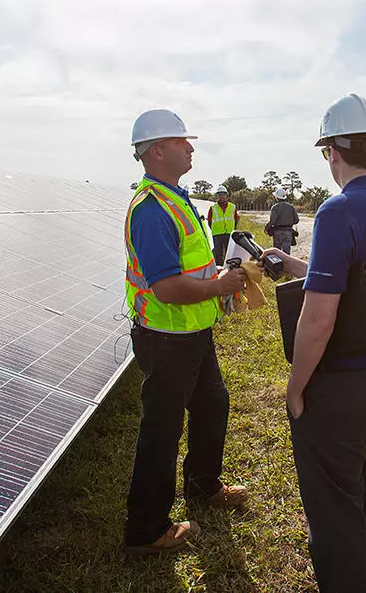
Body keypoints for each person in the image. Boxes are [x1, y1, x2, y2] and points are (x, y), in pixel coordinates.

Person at [259, 93, 366, 592]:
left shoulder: (336, 211)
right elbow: (353, 281)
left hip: (342, 393)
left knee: (336, 523)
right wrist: (292, 267)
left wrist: (295, 386)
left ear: (333, 152)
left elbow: (319, 317)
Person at [122, 109, 249, 557]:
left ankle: (201, 486)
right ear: (157, 151)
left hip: (193, 333)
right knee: (161, 431)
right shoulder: (152, 210)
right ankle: (145, 531)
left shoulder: (176, 198)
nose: (191, 147)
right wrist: (220, 287)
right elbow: (167, 287)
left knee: (213, 403)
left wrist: (219, 287)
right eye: (181, 142)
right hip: (168, 338)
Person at [207, 185, 239, 266]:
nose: (221, 196)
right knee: (218, 254)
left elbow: (236, 219)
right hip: (217, 234)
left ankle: (229, 268)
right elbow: (209, 221)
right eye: (219, 194)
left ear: (226, 195)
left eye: (223, 194)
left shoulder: (232, 207)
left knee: (230, 252)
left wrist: (232, 229)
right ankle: (219, 269)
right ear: (217, 195)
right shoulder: (212, 208)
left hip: (229, 233)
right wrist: (216, 229)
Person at [267, 187, 299, 254]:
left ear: (277, 197)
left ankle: (277, 264)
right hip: (288, 232)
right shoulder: (291, 207)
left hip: (277, 232)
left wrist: (267, 227)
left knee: (276, 252)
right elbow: (296, 220)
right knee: (286, 253)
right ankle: (286, 264)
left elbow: (272, 221)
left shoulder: (275, 207)